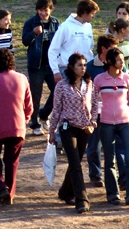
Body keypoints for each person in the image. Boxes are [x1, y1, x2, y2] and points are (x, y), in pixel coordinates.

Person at [0, 49, 33, 207]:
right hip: (17, 126)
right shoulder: (22, 78)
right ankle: (10, 193)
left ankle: (1, 187)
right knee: (12, 161)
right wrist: (24, 120)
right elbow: (29, 105)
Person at [91, 48, 129, 207]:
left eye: (122, 59)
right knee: (109, 160)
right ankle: (113, 194)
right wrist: (93, 120)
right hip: (106, 123)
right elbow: (93, 102)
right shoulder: (99, 79)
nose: (122, 62)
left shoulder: (127, 78)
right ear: (109, 61)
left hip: (125, 122)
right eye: (119, 59)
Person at [49, 53, 95, 214]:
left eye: (84, 65)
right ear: (71, 67)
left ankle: (65, 192)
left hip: (84, 129)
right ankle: (82, 200)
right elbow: (56, 109)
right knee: (75, 163)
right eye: (79, 65)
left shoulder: (89, 84)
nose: (83, 68)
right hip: (67, 128)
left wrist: (92, 123)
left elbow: (95, 105)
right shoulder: (62, 86)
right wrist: (52, 131)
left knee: (76, 161)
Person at [85, 34, 121, 188]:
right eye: (112, 48)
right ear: (103, 49)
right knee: (93, 145)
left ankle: (116, 175)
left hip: (113, 111)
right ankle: (95, 174)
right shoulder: (90, 67)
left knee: (114, 145)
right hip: (95, 112)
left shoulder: (118, 65)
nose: (116, 52)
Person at [22, 0, 60, 136]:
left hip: (52, 64)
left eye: (45, 10)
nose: (43, 13)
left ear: (50, 9)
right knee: (35, 96)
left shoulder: (55, 23)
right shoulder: (30, 23)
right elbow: (25, 41)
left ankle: (44, 115)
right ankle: (35, 124)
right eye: (40, 10)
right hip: (36, 65)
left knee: (58, 90)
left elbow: (60, 41)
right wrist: (33, 33)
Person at [48, 0, 98, 83]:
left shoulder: (88, 26)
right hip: (68, 69)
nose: (93, 16)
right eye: (92, 13)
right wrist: (55, 71)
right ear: (85, 13)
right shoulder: (65, 27)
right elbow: (53, 50)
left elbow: (90, 48)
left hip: (85, 69)